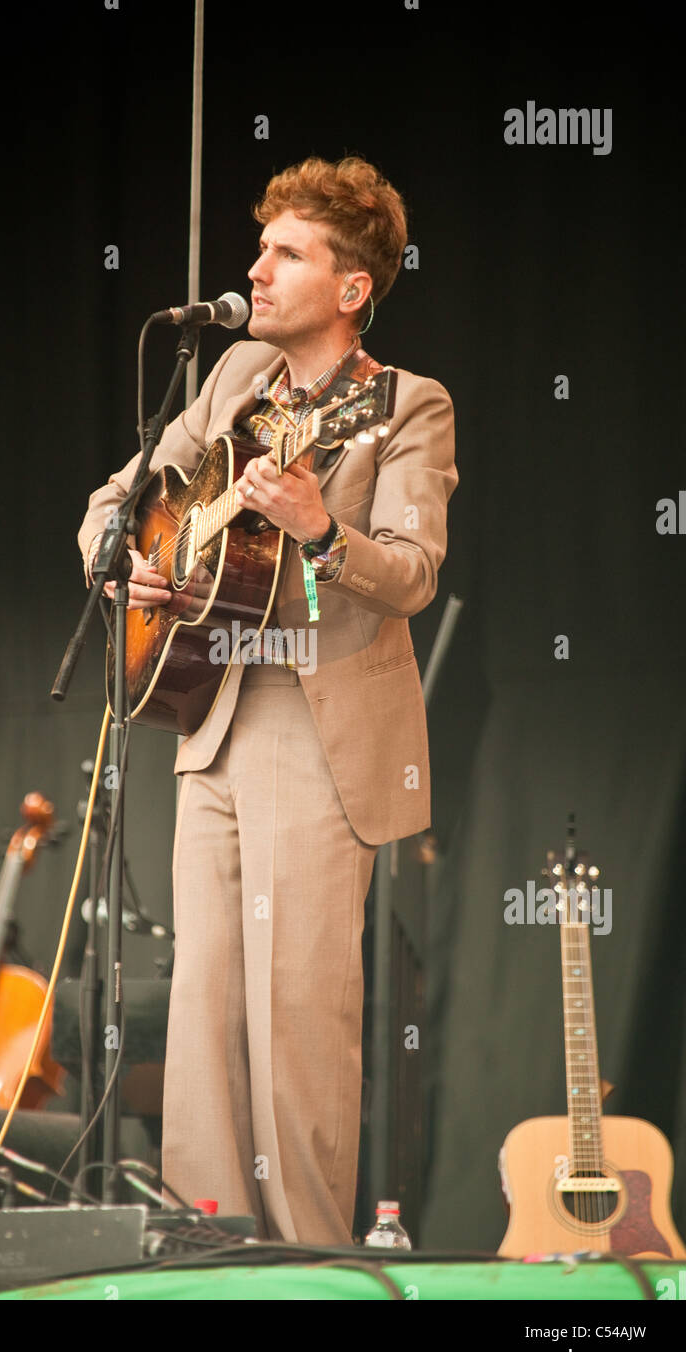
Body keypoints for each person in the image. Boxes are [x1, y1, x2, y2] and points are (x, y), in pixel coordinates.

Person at [77, 156, 457, 1245]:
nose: (255, 271)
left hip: (315, 726)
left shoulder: (403, 405)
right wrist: (129, 559)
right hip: (210, 719)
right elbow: (119, 494)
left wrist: (321, 531)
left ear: (350, 289)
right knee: (200, 1015)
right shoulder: (238, 373)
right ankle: (209, 1247)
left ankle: (306, 1263)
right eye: (260, 250)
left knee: (295, 1014)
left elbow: (411, 572)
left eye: (285, 254)